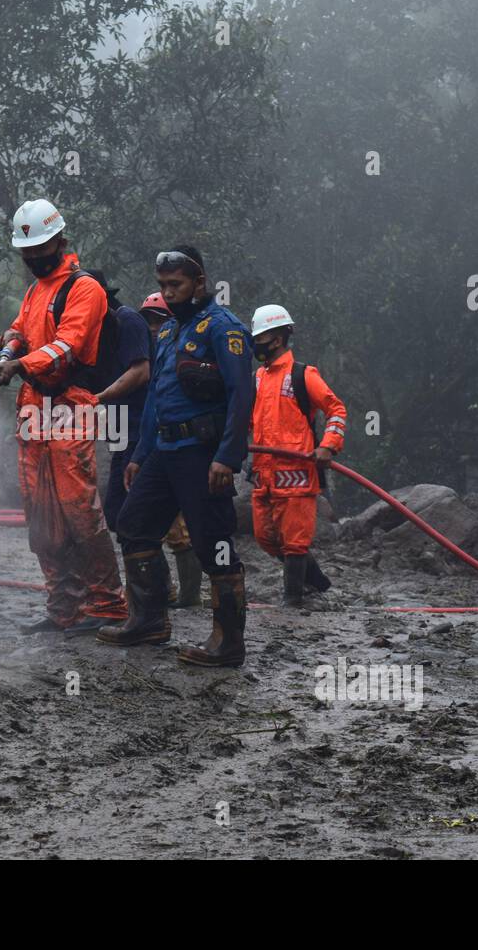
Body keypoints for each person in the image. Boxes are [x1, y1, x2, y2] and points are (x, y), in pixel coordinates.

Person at [98, 246, 254, 667]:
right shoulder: (167, 333)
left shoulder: (224, 329)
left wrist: (228, 457)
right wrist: (138, 456)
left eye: (176, 285)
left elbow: (243, 395)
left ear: (200, 282)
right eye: (162, 285)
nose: (167, 293)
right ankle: (148, 620)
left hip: (202, 454)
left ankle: (228, 643)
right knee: (133, 524)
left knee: (213, 544)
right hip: (162, 453)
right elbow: (154, 400)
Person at [0, 198, 128, 635]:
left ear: (61, 241)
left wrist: (21, 365)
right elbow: (20, 329)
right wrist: (10, 345)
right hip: (34, 408)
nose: (32, 258)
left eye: (39, 249)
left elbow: (68, 344)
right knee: (41, 514)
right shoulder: (35, 291)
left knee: (78, 510)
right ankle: (63, 608)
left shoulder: (84, 288)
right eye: (26, 253)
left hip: (69, 406)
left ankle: (106, 605)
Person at [249, 304, 347, 606]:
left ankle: (293, 600)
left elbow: (336, 410)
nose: (256, 344)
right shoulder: (258, 378)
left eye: (260, 337)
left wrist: (328, 445)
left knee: (294, 542)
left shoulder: (303, 375)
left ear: (276, 338)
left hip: (297, 475)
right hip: (263, 475)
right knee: (266, 537)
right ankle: (317, 582)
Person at [126, 291, 203, 608]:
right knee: (152, 526)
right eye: (150, 322)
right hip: (157, 449)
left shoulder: (190, 354)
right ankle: (162, 595)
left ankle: (189, 598)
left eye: (160, 320)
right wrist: (139, 457)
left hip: (185, 449)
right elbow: (149, 413)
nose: (155, 328)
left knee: (182, 529)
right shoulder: (154, 360)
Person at [84, 270, 149, 534]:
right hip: (121, 433)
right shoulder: (102, 332)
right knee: (116, 513)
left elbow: (140, 372)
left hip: (139, 432)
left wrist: (95, 398)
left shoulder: (128, 322)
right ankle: (138, 570)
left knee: (130, 515)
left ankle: (147, 571)